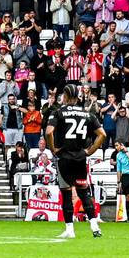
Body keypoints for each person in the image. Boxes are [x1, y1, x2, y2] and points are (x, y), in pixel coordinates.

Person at [44, 84, 104, 239]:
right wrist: (89, 151)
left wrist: (53, 149)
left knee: (66, 194)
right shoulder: (87, 113)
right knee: (84, 193)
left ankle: (70, 229)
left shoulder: (58, 112)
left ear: (65, 95)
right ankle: (94, 226)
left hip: (64, 157)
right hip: (80, 158)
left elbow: (49, 132)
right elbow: (102, 134)